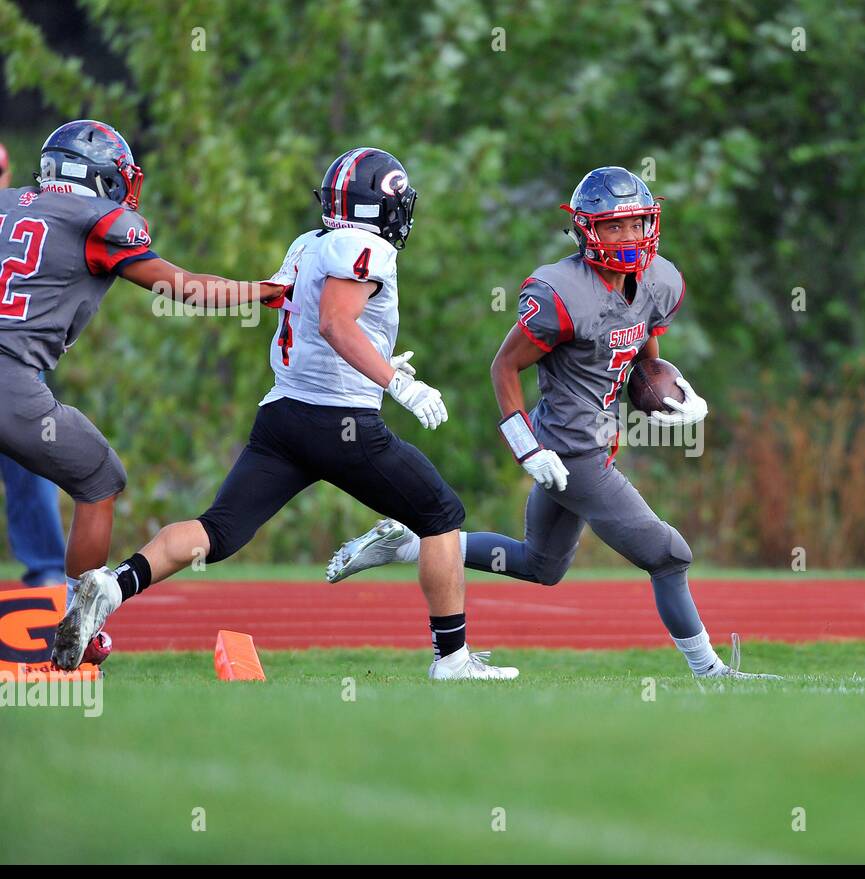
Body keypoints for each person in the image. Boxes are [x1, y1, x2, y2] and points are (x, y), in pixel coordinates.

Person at [55, 147, 514, 680]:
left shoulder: (309, 243)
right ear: (380, 207)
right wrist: (395, 386)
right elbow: (335, 324)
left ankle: (109, 587)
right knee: (440, 516)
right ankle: (451, 659)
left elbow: (315, 316)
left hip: (283, 417)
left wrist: (384, 362)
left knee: (216, 531)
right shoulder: (366, 247)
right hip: (341, 423)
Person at [327, 166, 775, 679]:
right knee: (670, 554)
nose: (628, 237)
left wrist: (675, 392)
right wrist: (527, 449)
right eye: (614, 226)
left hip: (593, 442)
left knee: (541, 566)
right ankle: (711, 673)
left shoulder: (660, 281)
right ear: (587, 230)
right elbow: (504, 367)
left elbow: (642, 358)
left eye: (636, 224)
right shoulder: (562, 292)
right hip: (569, 452)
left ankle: (409, 543)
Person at [0, 119, 283, 639]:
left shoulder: (9, 202)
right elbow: (184, 288)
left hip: (15, 377)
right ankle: (77, 621)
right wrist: (258, 290)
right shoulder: (98, 219)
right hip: (10, 381)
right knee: (99, 478)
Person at [0, 138, 66, 588]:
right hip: (19, 359)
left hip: (16, 358)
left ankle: (46, 573)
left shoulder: (26, 213)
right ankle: (45, 573)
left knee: (32, 464)